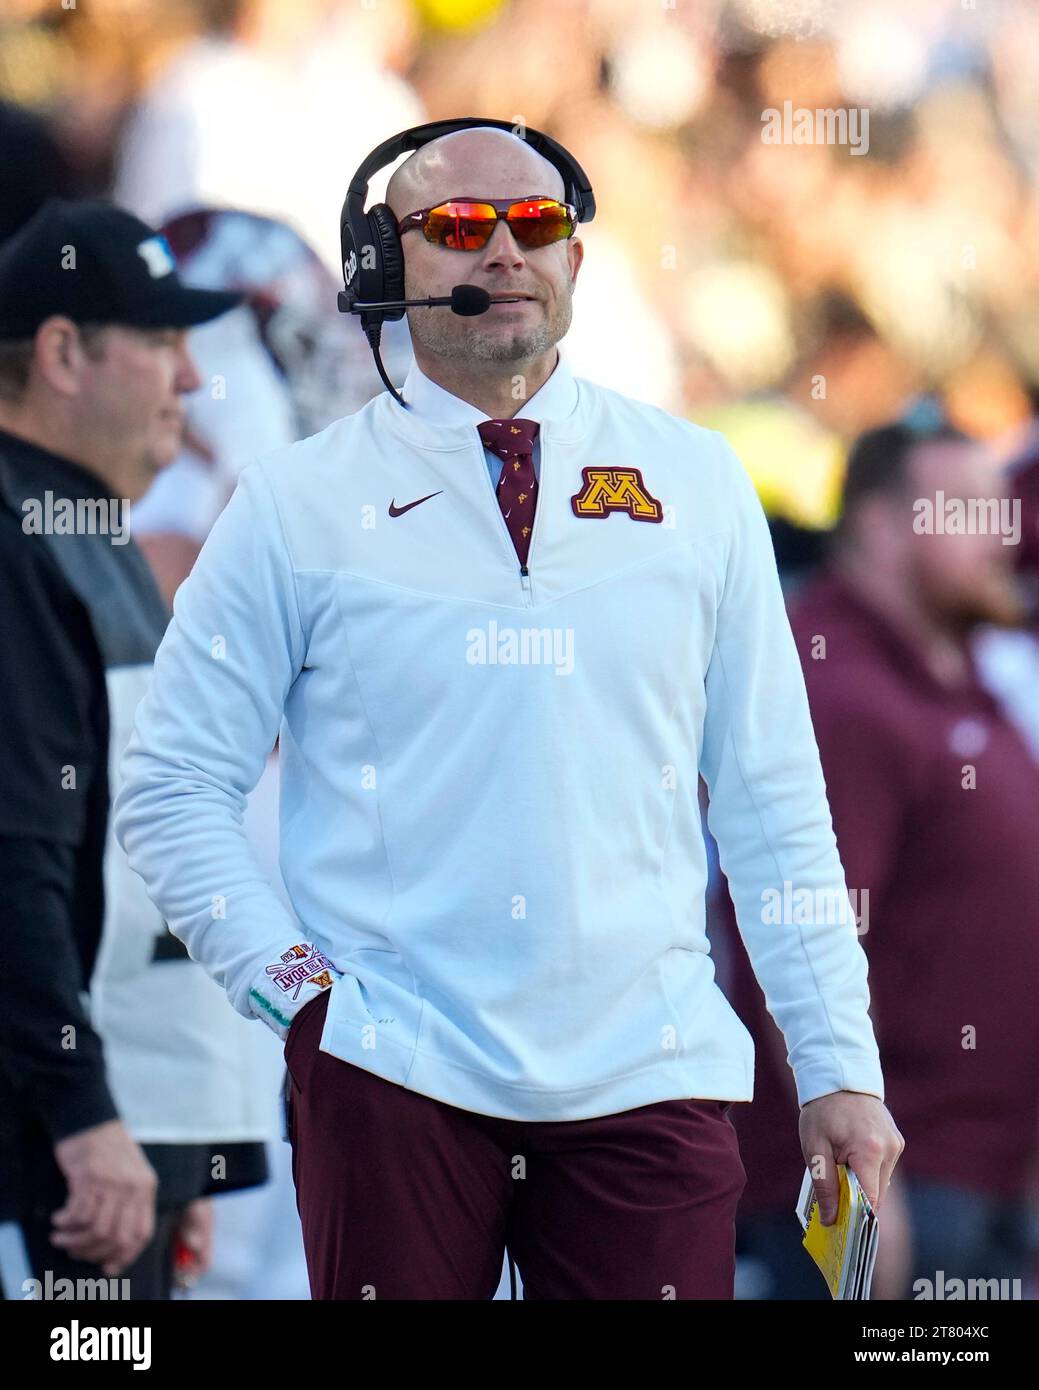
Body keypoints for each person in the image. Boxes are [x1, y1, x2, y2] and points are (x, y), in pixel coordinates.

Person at [113, 122, 902, 1301]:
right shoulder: (295, 501)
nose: (503, 252)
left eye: (535, 225)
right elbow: (171, 783)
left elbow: (773, 799)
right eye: (458, 227)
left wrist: (837, 1060)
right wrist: (296, 1000)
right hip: (391, 1069)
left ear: (577, 262)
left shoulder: (697, 480)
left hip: (653, 1067)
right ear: (385, 264)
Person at [0, 200, 269, 1300]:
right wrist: (84, 1114)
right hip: (70, 1148)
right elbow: (14, 851)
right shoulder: (20, 541)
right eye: (159, 342)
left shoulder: (83, 529)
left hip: (126, 1127)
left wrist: (176, 1140)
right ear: (63, 352)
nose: (190, 378)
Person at [775, 421, 1039, 1296]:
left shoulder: (950, 673)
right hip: (904, 1194)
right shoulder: (844, 695)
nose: (1004, 537)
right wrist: (857, 1224)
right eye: (971, 513)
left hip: (982, 1182)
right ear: (885, 528)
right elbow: (801, 953)